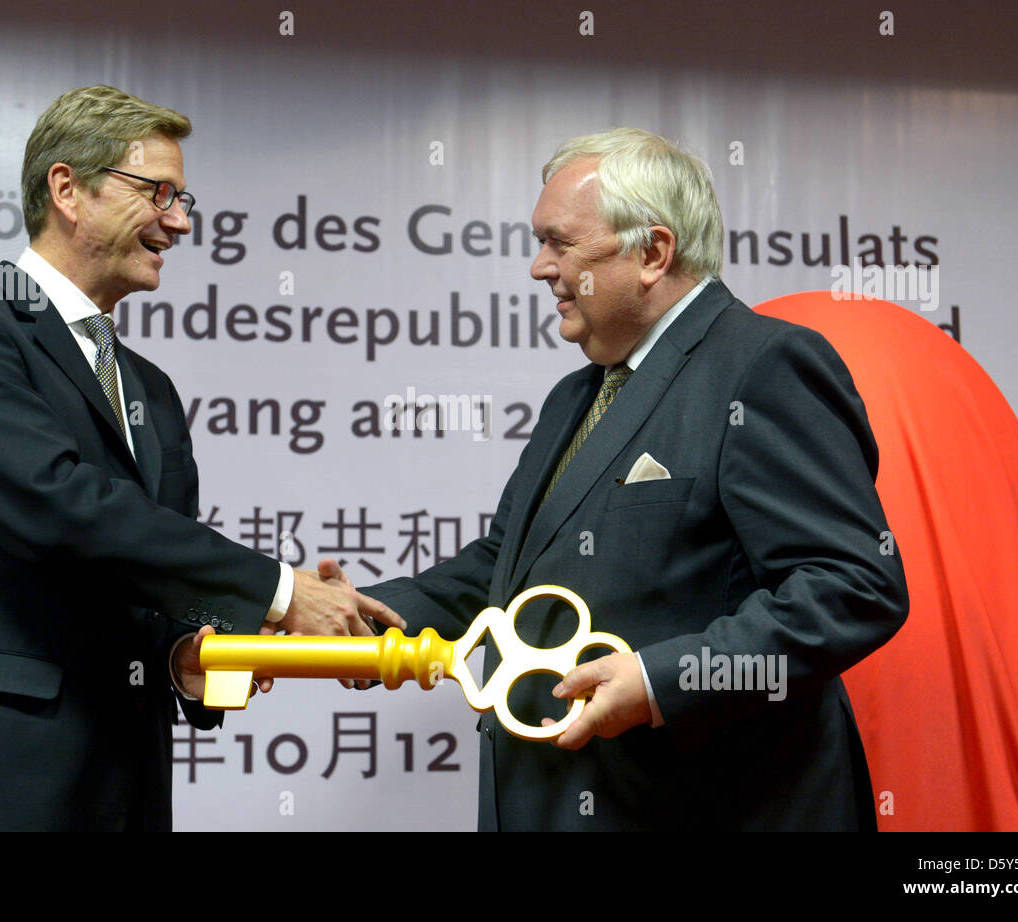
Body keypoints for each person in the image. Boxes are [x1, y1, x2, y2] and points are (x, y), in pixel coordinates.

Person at [352, 128, 910, 831]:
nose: (538, 267)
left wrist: (655, 683)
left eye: (559, 242)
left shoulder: (766, 366)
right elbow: (502, 574)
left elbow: (853, 586)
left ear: (652, 252)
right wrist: (365, 618)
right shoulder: (576, 397)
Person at [0, 85, 399, 831]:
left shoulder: (150, 388)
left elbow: (143, 579)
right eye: (157, 193)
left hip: (129, 785)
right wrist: (281, 590)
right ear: (67, 190)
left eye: (183, 198)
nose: (180, 221)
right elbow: (57, 507)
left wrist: (190, 652)